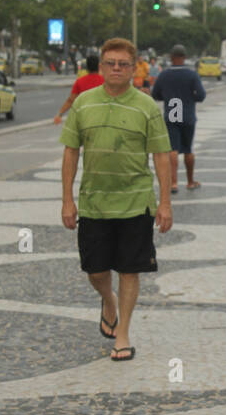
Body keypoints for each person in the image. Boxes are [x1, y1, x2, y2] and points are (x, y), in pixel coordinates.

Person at [60, 37, 172, 362]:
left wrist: (165, 202)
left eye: (123, 64)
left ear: (134, 68)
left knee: (129, 269)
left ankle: (122, 334)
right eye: (111, 63)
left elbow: (162, 156)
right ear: (101, 66)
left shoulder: (146, 106)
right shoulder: (83, 103)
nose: (117, 69)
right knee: (95, 271)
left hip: (136, 202)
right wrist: (67, 200)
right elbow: (70, 152)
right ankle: (107, 300)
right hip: (94, 202)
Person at [150, 44, 206, 192]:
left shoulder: (164, 75)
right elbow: (201, 95)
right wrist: (190, 98)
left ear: (171, 57)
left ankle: (173, 183)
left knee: (172, 149)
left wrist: (167, 97)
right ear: (184, 57)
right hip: (187, 114)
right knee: (188, 149)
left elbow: (155, 94)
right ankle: (190, 181)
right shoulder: (192, 75)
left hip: (172, 114)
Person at [54, 53, 103, 124]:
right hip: (100, 119)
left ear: (87, 67)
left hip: (83, 119)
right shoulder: (105, 82)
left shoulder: (80, 82)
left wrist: (59, 115)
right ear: (99, 66)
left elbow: (70, 100)